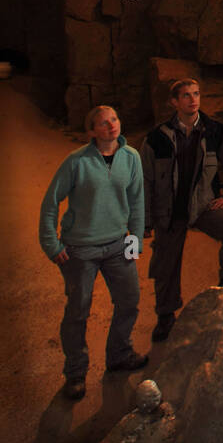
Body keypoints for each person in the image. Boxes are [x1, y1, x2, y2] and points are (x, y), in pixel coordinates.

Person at [38, 105, 148, 401]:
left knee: (129, 300)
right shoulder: (76, 162)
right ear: (91, 132)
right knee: (78, 311)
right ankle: (75, 373)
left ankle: (119, 354)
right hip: (80, 248)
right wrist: (52, 244)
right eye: (102, 123)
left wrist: (134, 239)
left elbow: (136, 200)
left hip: (117, 244)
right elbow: (50, 202)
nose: (110, 126)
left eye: (113, 119)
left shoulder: (131, 157)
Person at [141, 78, 223, 342]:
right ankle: (165, 316)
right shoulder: (157, 138)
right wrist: (145, 219)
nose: (193, 99)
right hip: (170, 210)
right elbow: (144, 180)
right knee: (166, 262)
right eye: (186, 95)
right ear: (174, 102)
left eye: (196, 94)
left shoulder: (215, 131)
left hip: (204, 205)